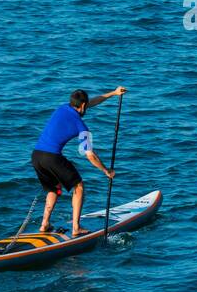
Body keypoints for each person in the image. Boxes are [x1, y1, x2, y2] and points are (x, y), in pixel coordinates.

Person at [31, 87, 127, 237]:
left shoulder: (63, 107)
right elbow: (90, 156)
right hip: (52, 157)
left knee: (54, 188)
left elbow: (92, 102)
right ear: (82, 106)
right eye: (86, 106)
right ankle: (76, 227)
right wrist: (106, 170)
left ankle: (45, 224)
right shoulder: (81, 126)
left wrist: (113, 93)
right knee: (79, 186)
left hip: (36, 156)